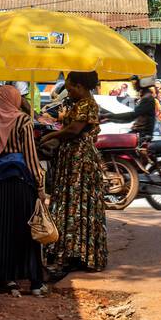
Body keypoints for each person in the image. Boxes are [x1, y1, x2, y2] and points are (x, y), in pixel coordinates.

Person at [0, 84, 47, 296]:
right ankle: (34, 283)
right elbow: (31, 157)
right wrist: (40, 184)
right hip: (21, 183)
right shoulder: (23, 120)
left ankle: (0, 280)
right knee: (25, 231)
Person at [47, 69, 108, 281]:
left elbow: (74, 130)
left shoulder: (87, 104)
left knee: (75, 204)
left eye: (70, 88)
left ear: (80, 86)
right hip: (71, 158)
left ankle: (75, 254)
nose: (69, 92)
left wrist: (53, 134)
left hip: (80, 160)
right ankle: (71, 252)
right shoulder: (78, 104)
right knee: (70, 204)